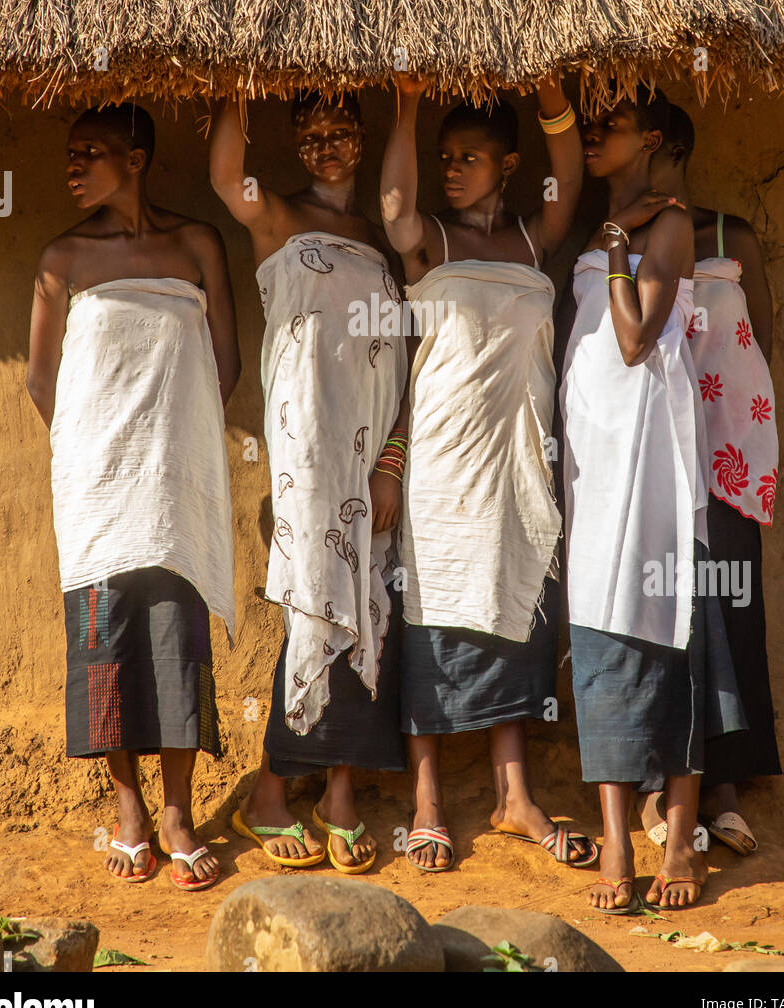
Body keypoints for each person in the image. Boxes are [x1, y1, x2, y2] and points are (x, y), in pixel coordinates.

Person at [380, 71, 594, 873]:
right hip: (440, 463)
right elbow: (395, 217)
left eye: (472, 156)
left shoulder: (536, 239)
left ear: (509, 166)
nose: (453, 167)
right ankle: (427, 798)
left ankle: (514, 795)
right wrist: (404, 107)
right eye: (446, 154)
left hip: (516, 465)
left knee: (515, 615)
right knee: (431, 617)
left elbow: (569, 177)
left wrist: (550, 98)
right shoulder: (431, 239)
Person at [27, 102, 240, 891]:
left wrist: (167, 438)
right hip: (96, 488)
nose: (74, 165)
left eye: (93, 151)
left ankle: (179, 814)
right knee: (103, 653)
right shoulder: (63, 257)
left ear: (139, 157)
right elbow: (40, 380)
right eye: (70, 152)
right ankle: (130, 816)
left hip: (175, 488)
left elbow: (225, 366)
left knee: (174, 645)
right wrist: (96, 450)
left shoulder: (194, 245)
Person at [209, 91, 409, 873]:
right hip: (306, 448)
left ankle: (338, 796)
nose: (327, 146)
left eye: (341, 133)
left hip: (370, 461)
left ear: (361, 141)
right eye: (312, 136)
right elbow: (227, 174)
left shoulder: (380, 242)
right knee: (315, 601)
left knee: (368, 602)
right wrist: (230, 85)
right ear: (295, 145)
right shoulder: (276, 217)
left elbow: (402, 367)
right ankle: (266, 796)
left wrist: (391, 458)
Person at [560, 85, 746, 912]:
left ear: (653, 141)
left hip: (654, 471)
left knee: (674, 644)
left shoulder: (665, 224)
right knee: (600, 646)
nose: (593, 136)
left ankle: (676, 842)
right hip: (596, 471)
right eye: (587, 125)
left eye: (611, 127)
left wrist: (610, 242)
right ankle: (614, 848)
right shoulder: (610, 230)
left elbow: (634, 338)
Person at [643, 103, 781, 854]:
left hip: (724, 465)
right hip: (654, 466)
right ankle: (661, 788)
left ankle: (723, 786)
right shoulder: (621, 242)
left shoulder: (731, 238)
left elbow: (761, 340)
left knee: (729, 612)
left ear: (660, 146)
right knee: (662, 618)